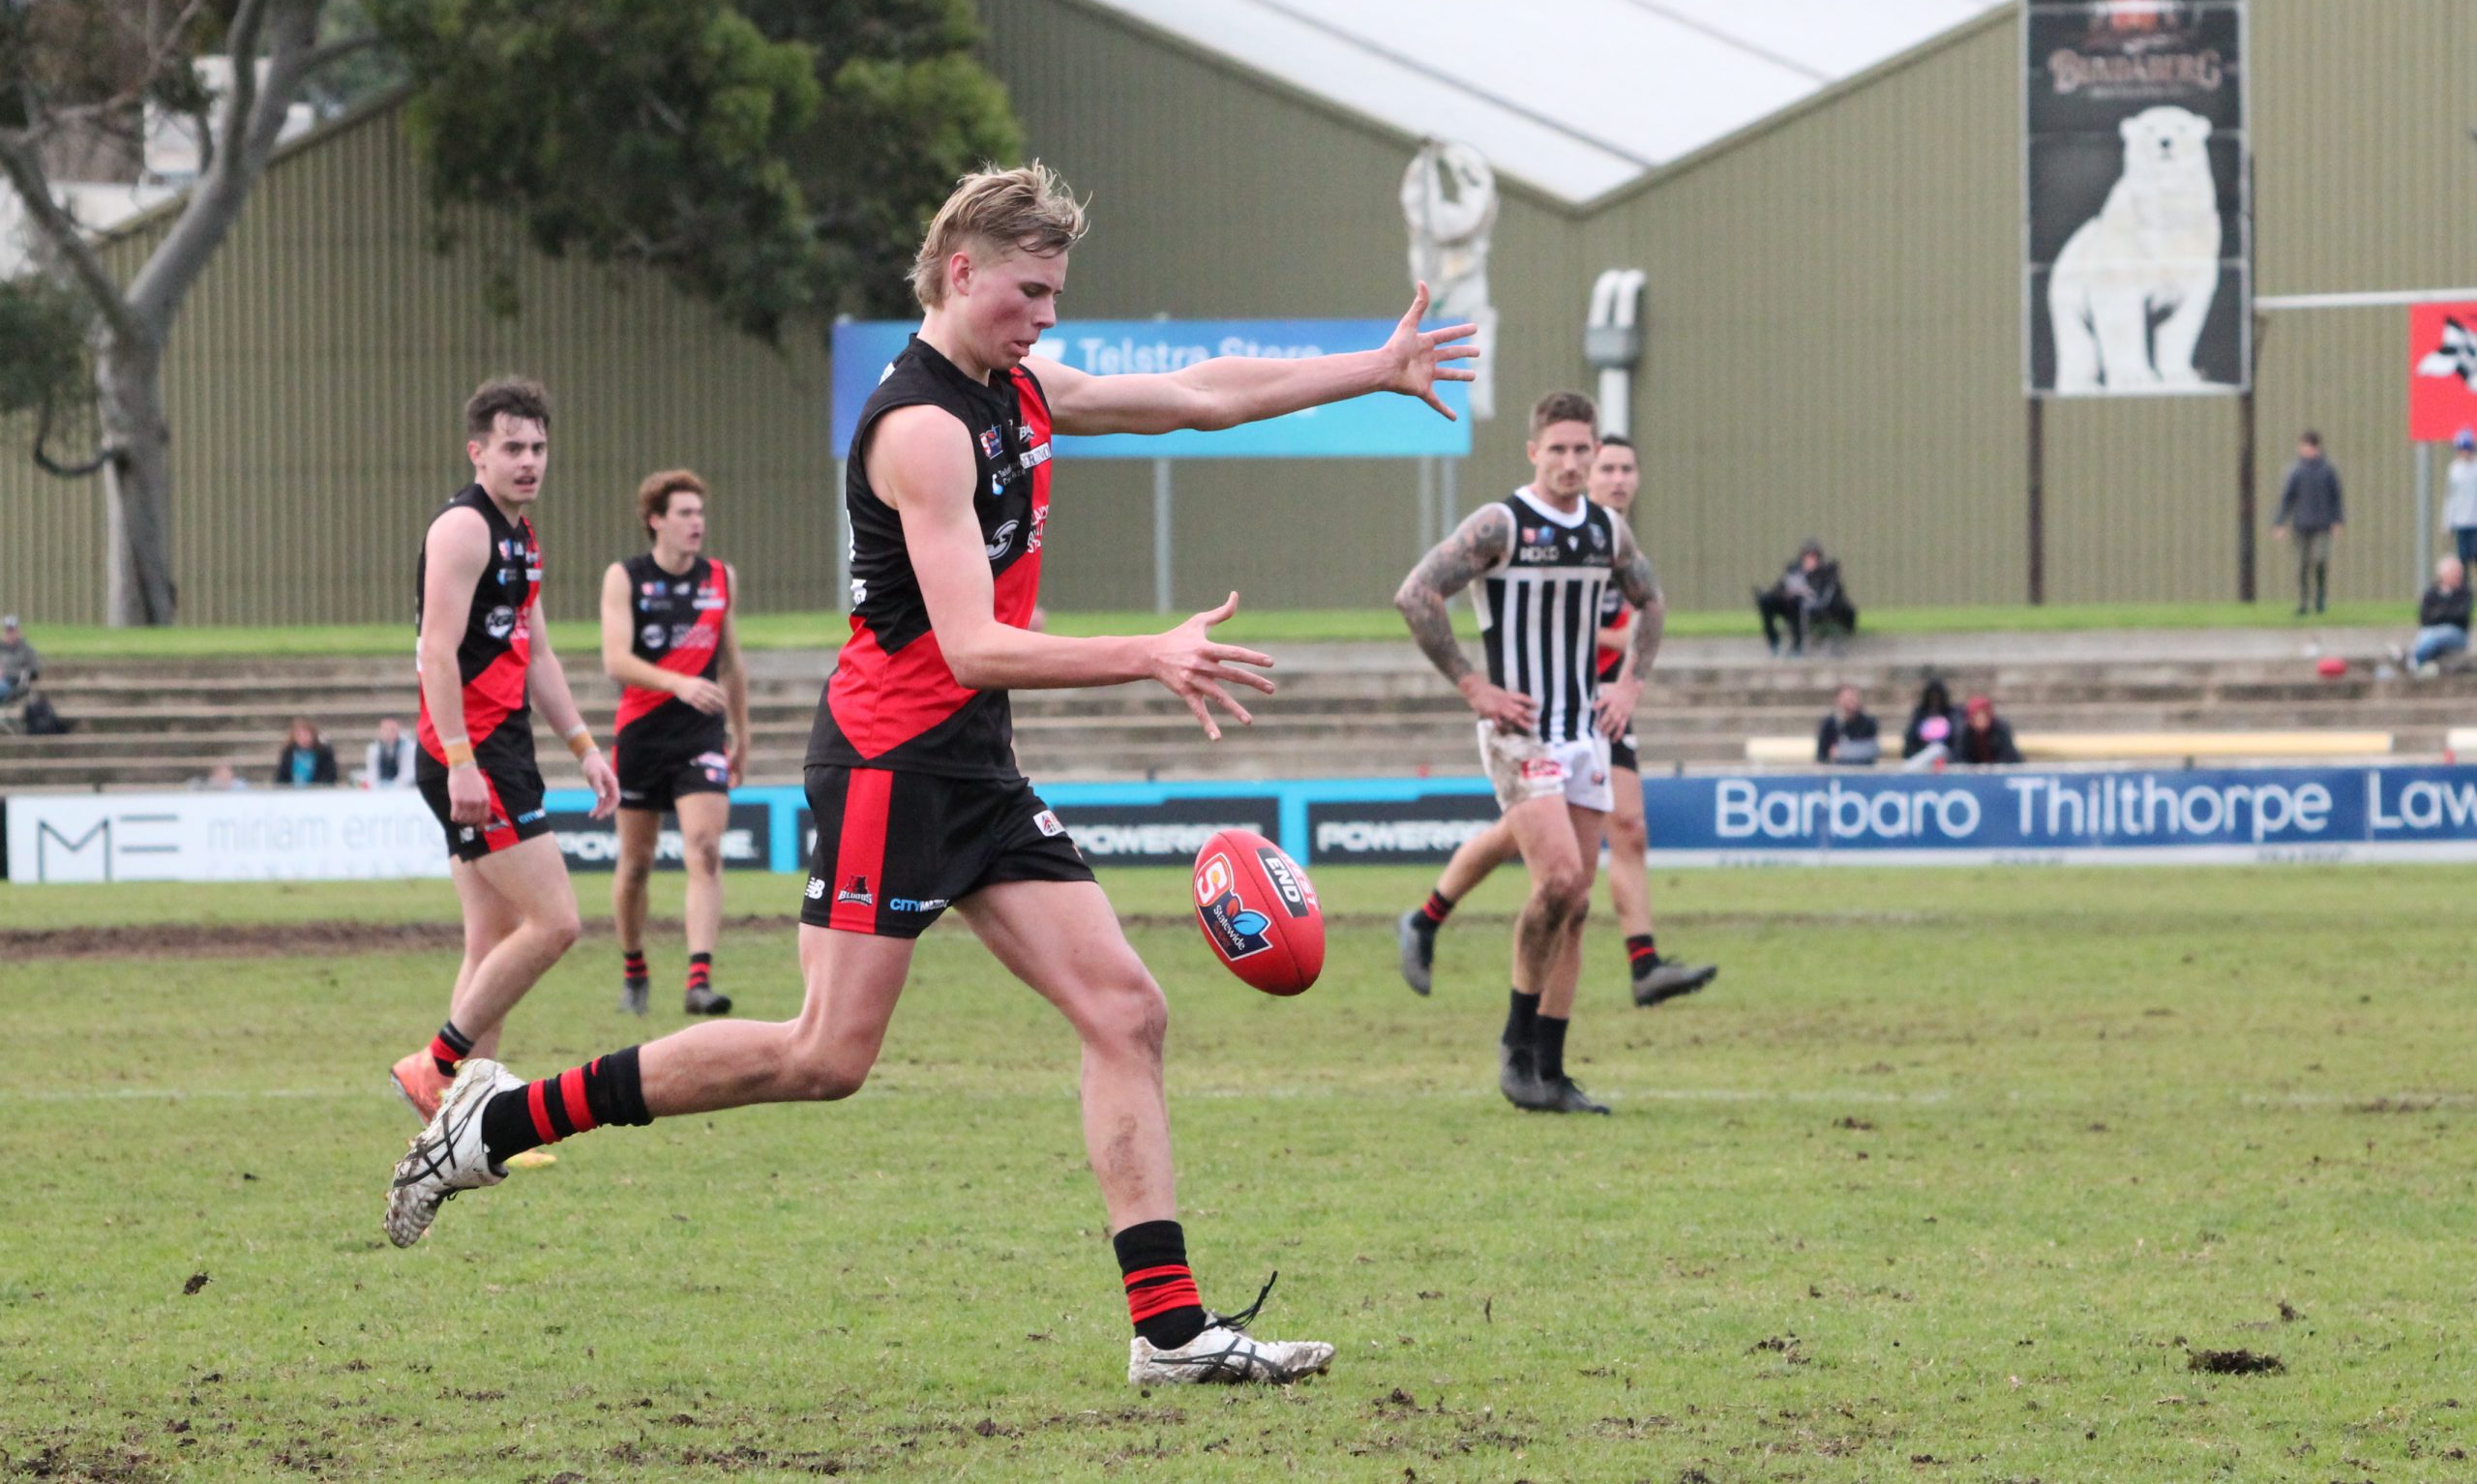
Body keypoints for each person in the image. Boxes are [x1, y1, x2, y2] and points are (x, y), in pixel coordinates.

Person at [386, 163, 1475, 1387]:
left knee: (1126, 1011)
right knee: (822, 1057)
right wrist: (1149, 654)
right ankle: (495, 1120)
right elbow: (969, 645)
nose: (1047, 318)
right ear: (961, 272)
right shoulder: (919, 426)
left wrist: (1369, 372)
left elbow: (1194, 394)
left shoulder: (1017, 389)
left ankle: (1169, 1331)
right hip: (888, 770)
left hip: (973, 766)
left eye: (1056, 295)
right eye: (1029, 292)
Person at [1392, 391, 1665, 1117]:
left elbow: (1652, 600)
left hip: (1585, 729)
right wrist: (1473, 684)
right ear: (1533, 451)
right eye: (1560, 449)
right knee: (1560, 881)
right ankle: (1516, 1051)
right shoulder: (1501, 524)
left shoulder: (1608, 530)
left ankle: (1551, 1070)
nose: (1573, 462)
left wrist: (1630, 685)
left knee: (1574, 907)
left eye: (1585, 449)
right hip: (1520, 730)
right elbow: (1416, 594)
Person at [1393, 432, 1717, 1009]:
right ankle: (1427, 918)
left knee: (1628, 832)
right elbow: (1554, 624)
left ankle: (1641, 963)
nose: (1616, 478)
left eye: (1625, 468)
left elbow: (1644, 612)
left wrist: (1628, 678)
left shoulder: (1614, 543)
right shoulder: (1541, 535)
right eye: (1607, 468)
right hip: (1541, 714)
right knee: (1538, 856)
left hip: (1596, 713)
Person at [388, 376, 619, 1124]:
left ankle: (461, 1121)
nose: (529, 461)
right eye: (512, 447)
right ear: (477, 452)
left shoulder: (519, 533)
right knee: (555, 923)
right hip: (473, 754)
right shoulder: (465, 529)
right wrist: (459, 760)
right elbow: (436, 652)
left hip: (500, 749)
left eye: (539, 447)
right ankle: (438, 1062)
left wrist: (585, 746)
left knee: (491, 938)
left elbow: (540, 654)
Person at [603, 469, 749, 1017]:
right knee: (636, 865)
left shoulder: (720, 578)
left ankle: (698, 980)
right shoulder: (626, 577)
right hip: (642, 734)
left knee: (705, 851)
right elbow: (616, 660)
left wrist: (743, 733)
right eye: (685, 514)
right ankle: (635, 967)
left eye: (700, 513)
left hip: (702, 735)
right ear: (655, 520)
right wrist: (679, 682)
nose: (697, 524)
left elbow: (733, 663)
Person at [2273, 430, 2343, 616]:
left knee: (2320, 560)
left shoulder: (2328, 470)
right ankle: (2303, 602)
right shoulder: (2296, 471)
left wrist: (2337, 520)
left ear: (2315, 448)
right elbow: (2287, 498)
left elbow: (2336, 497)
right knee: (2302, 565)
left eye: (2306, 446)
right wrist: (2279, 522)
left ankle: (2320, 598)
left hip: (2322, 524)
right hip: (2301, 524)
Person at [1753, 540, 1856, 657]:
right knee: (1766, 602)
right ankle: (1773, 639)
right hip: (1789, 603)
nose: (1809, 560)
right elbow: (1780, 587)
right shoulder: (1794, 572)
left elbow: (1829, 595)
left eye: (1813, 557)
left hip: (1812, 607)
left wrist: (1807, 592)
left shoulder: (1826, 574)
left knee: (1796, 601)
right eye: (1807, 556)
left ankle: (1798, 645)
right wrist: (1781, 594)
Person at [2394, 555, 2470, 676]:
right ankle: (2416, 662)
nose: (2458, 576)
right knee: (2428, 634)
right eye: (2454, 572)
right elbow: (2424, 618)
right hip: (2431, 632)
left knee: (2441, 633)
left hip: (2456, 634)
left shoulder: (2464, 593)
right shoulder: (2431, 593)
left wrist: (2439, 613)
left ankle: (2411, 659)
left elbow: (2461, 616)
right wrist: (2445, 613)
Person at [1902, 676, 1959, 768]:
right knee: (1932, 750)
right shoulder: (1920, 714)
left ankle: (1909, 768)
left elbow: (1955, 739)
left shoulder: (1951, 713)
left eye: (1937, 697)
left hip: (1945, 757)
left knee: (1937, 748)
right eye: (1932, 696)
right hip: (1922, 755)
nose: (1935, 700)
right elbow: (1911, 737)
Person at [2442, 430, 2477, 577]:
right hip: (2461, 522)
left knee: (2475, 554)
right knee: (2463, 558)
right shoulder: (2454, 470)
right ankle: (2465, 593)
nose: (2465, 452)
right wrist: (2447, 522)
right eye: (2462, 449)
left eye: (2468, 448)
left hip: (2475, 521)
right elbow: (2450, 498)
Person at [1815, 684, 1880, 764]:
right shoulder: (1829, 723)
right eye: (1845, 699)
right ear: (1838, 700)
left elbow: (1872, 750)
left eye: (1852, 699)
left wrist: (1843, 752)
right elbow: (1821, 756)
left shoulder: (1869, 722)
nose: (1849, 704)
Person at [1950, 694, 2021, 765]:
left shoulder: (2001, 729)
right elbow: (1959, 757)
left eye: (1983, 717)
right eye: (1976, 718)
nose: (1980, 721)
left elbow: (2008, 755)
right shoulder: (1965, 733)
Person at [272, 717, 339, 787]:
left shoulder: (324, 752)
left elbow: (330, 776)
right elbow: (281, 776)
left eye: (306, 735)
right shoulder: (288, 752)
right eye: (300, 735)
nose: (304, 739)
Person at [364, 718, 417, 789]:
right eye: (385, 730)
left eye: (392, 730)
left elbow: (408, 772)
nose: (388, 733)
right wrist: (376, 786)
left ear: (398, 730)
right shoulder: (374, 748)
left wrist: (395, 787)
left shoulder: (408, 747)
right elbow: (372, 771)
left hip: (403, 787)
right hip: (380, 786)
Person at [0, 613, 40, 706]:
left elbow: (34, 672)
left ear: (18, 631)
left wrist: (6, 673)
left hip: (14, 684)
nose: (9, 633)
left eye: (11, 630)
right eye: (7, 630)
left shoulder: (27, 650)